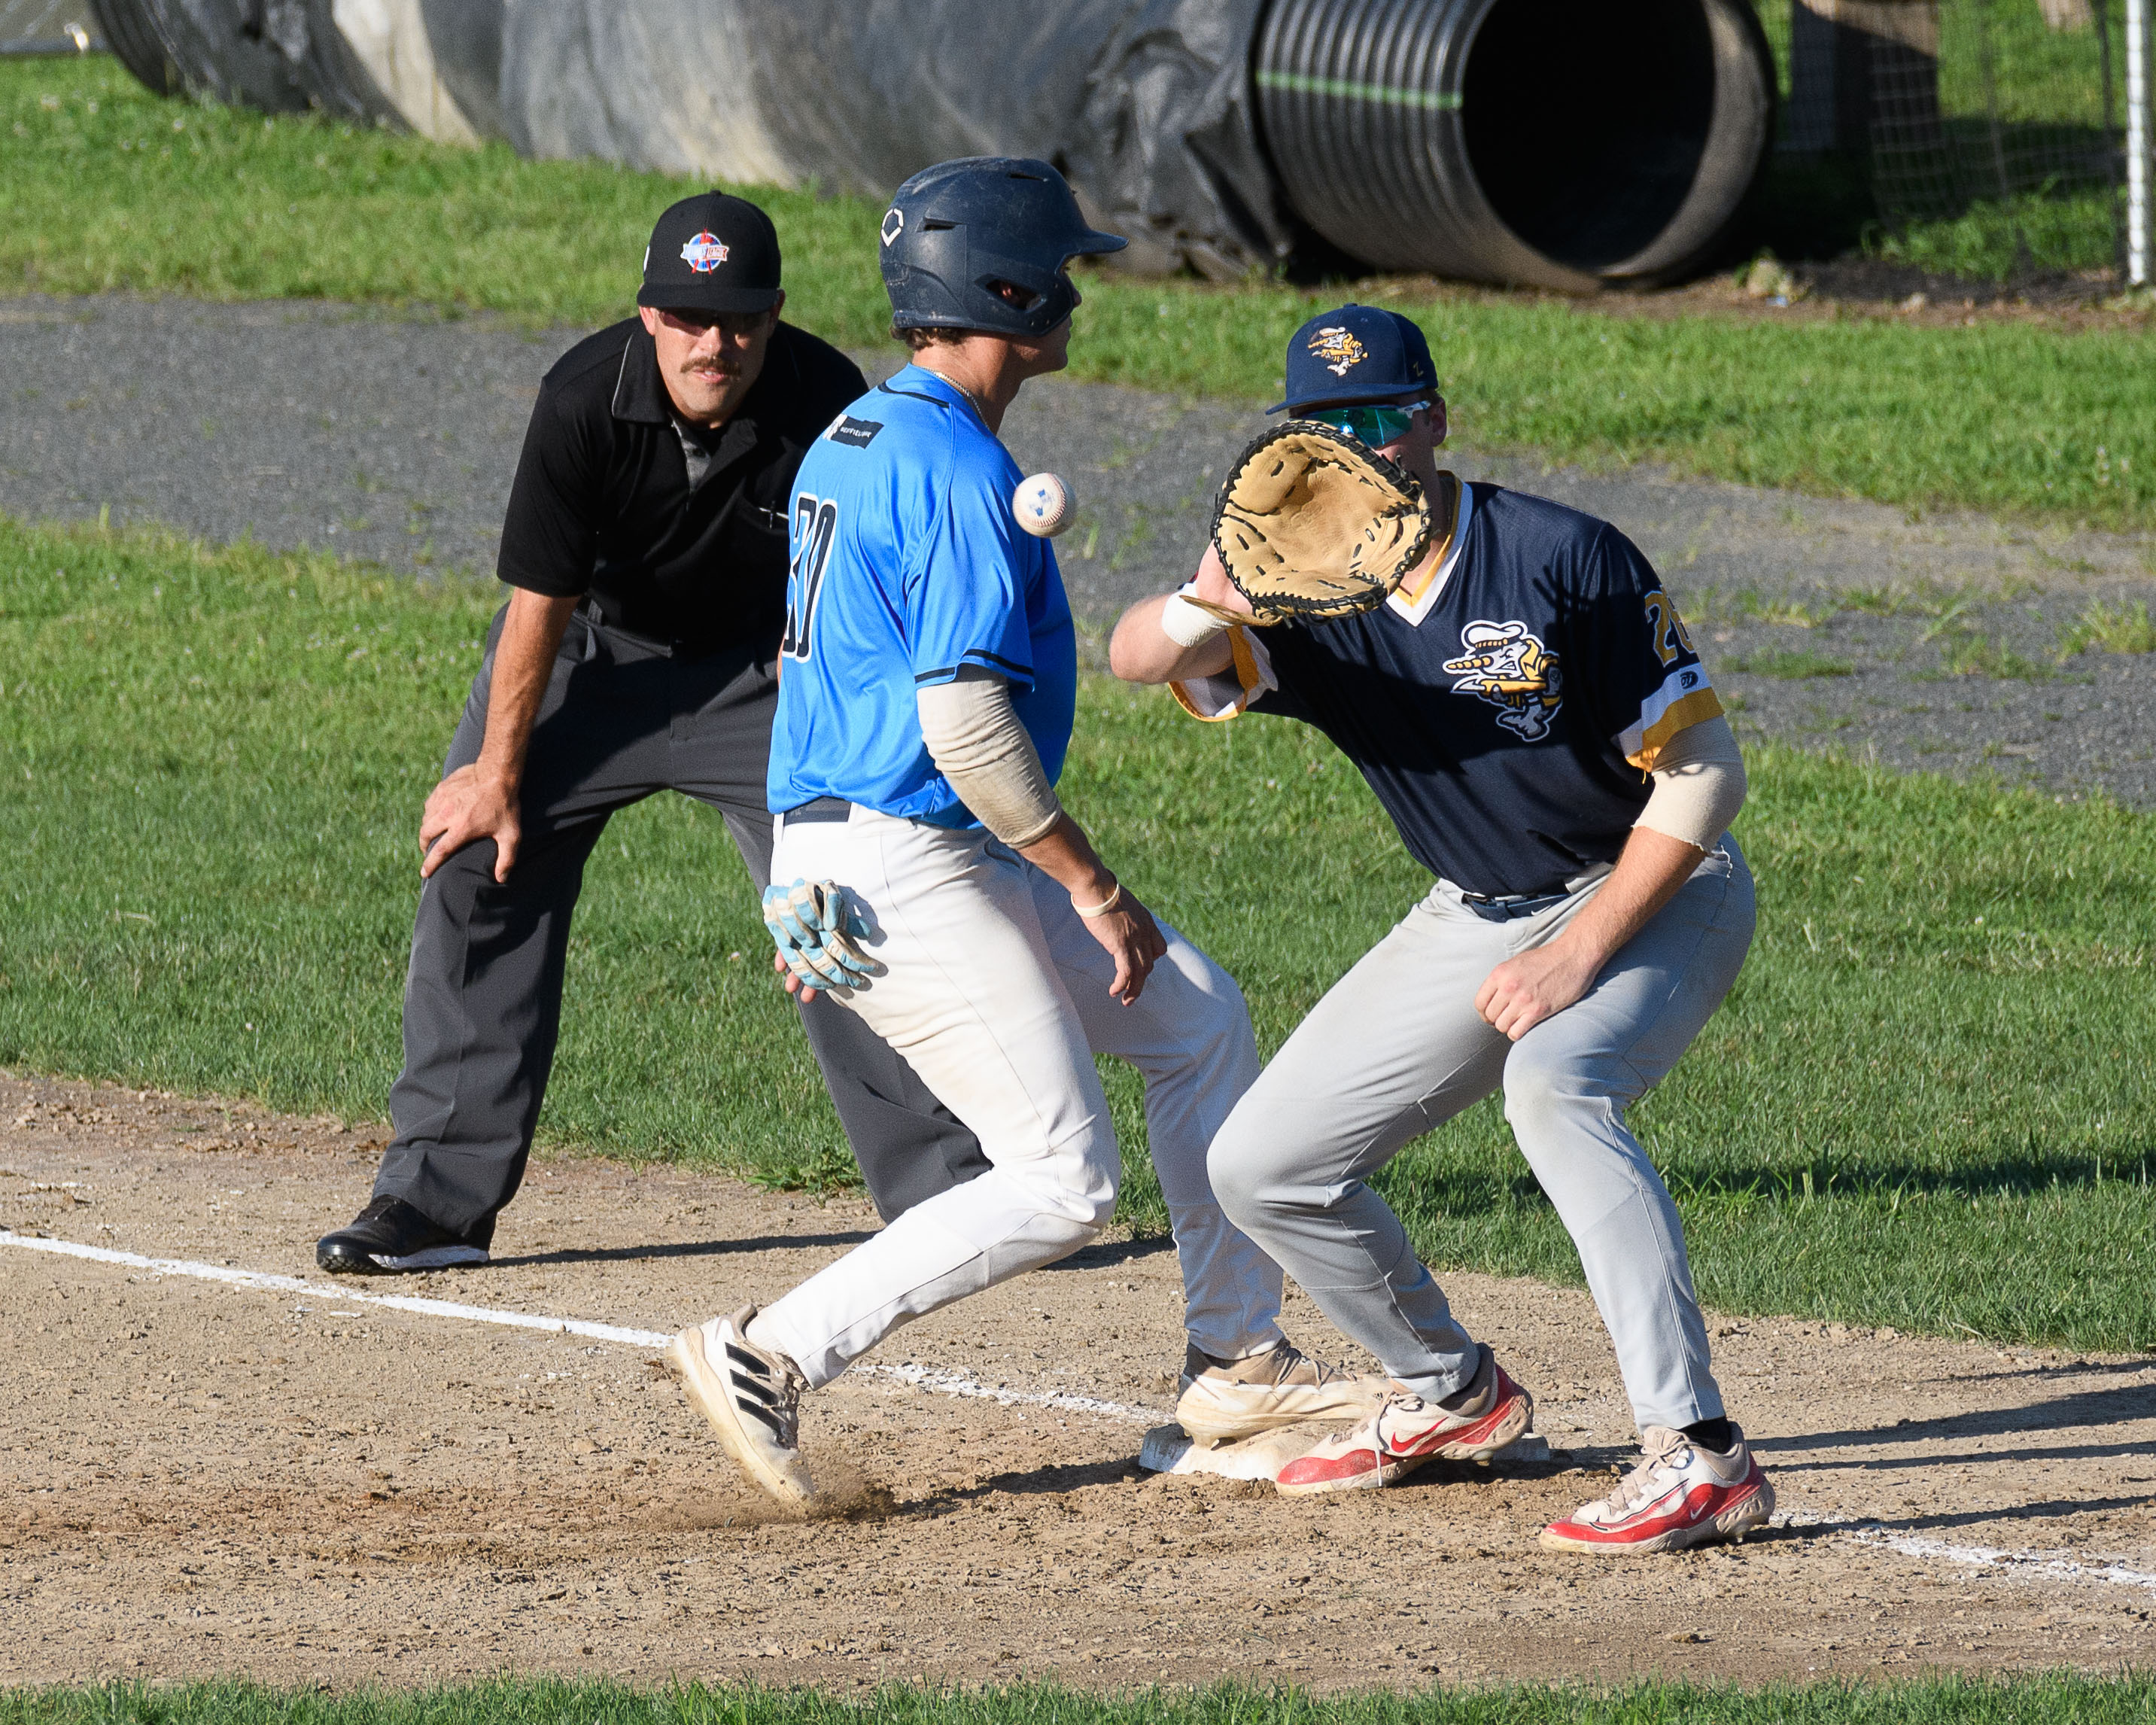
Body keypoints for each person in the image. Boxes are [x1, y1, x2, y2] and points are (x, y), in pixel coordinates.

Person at [666, 160, 1378, 1507]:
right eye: (1062, 271)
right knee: (1062, 1180)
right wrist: (1093, 886)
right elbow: (965, 733)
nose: (1077, 290)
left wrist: (799, 863)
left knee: (1195, 1020)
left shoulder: (857, 435)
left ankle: (1234, 1365)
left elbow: (810, 659)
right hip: (905, 850)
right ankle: (769, 1350)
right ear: (1007, 289)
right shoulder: (951, 470)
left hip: (873, 846)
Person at [1108, 303, 1775, 1555]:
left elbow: (1703, 777)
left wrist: (1576, 953)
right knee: (1260, 1165)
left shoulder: (1561, 557)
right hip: (1472, 914)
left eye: (1381, 420)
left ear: (1433, 420)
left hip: (1654, 886)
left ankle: (1699, 1456)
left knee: (1556, 1087)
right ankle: (1451, 1392)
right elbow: (1135, 656)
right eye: (1325, 427)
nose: (1361, 448)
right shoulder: (1302, 584)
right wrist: (1213, 597)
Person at [315, 192, 990, 1276]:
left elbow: (866, 589)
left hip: (768, 678)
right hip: (594, 660)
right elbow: (541, 598)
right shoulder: (581, 399)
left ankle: (949, 1194)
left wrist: (865, 753)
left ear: (773, 320)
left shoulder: (827, 399)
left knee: (845, 900)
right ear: (646, 315)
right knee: (474, 867)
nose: (712, 344)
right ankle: (432, 1200)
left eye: (737, 320)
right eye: (685, 317)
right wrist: (497, 775)